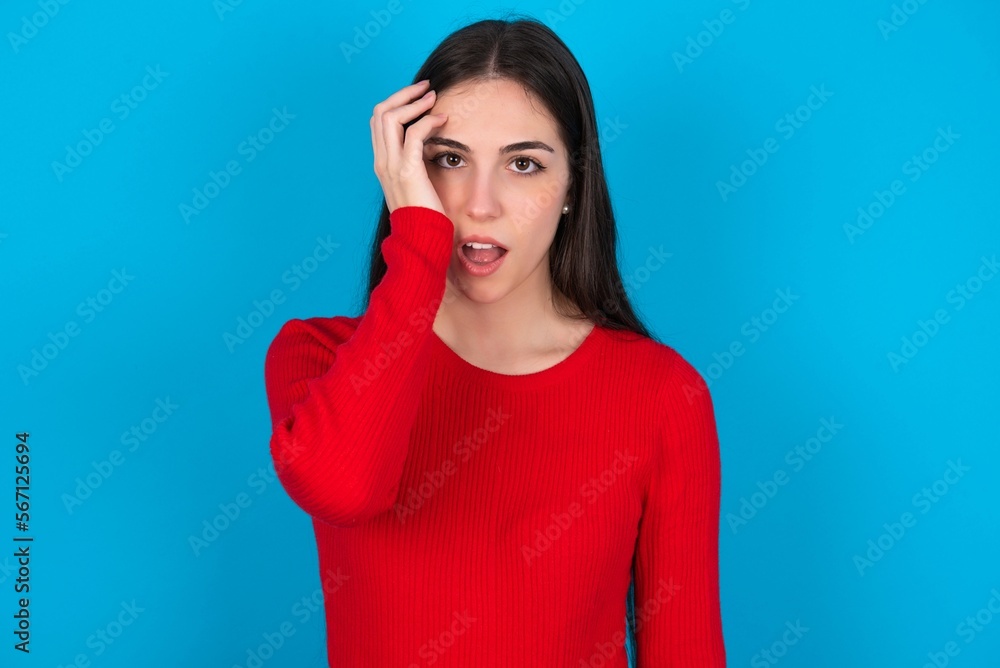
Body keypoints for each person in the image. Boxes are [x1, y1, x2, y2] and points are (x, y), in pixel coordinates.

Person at [264, 14, 726, 667]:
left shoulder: (662, 396)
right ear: (405, 173)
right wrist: (418, 237)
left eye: (524, 164)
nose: (480, 204)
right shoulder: (321, 357)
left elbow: (687, 651)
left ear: (572, 187)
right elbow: (345, 488)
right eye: (449, 160)